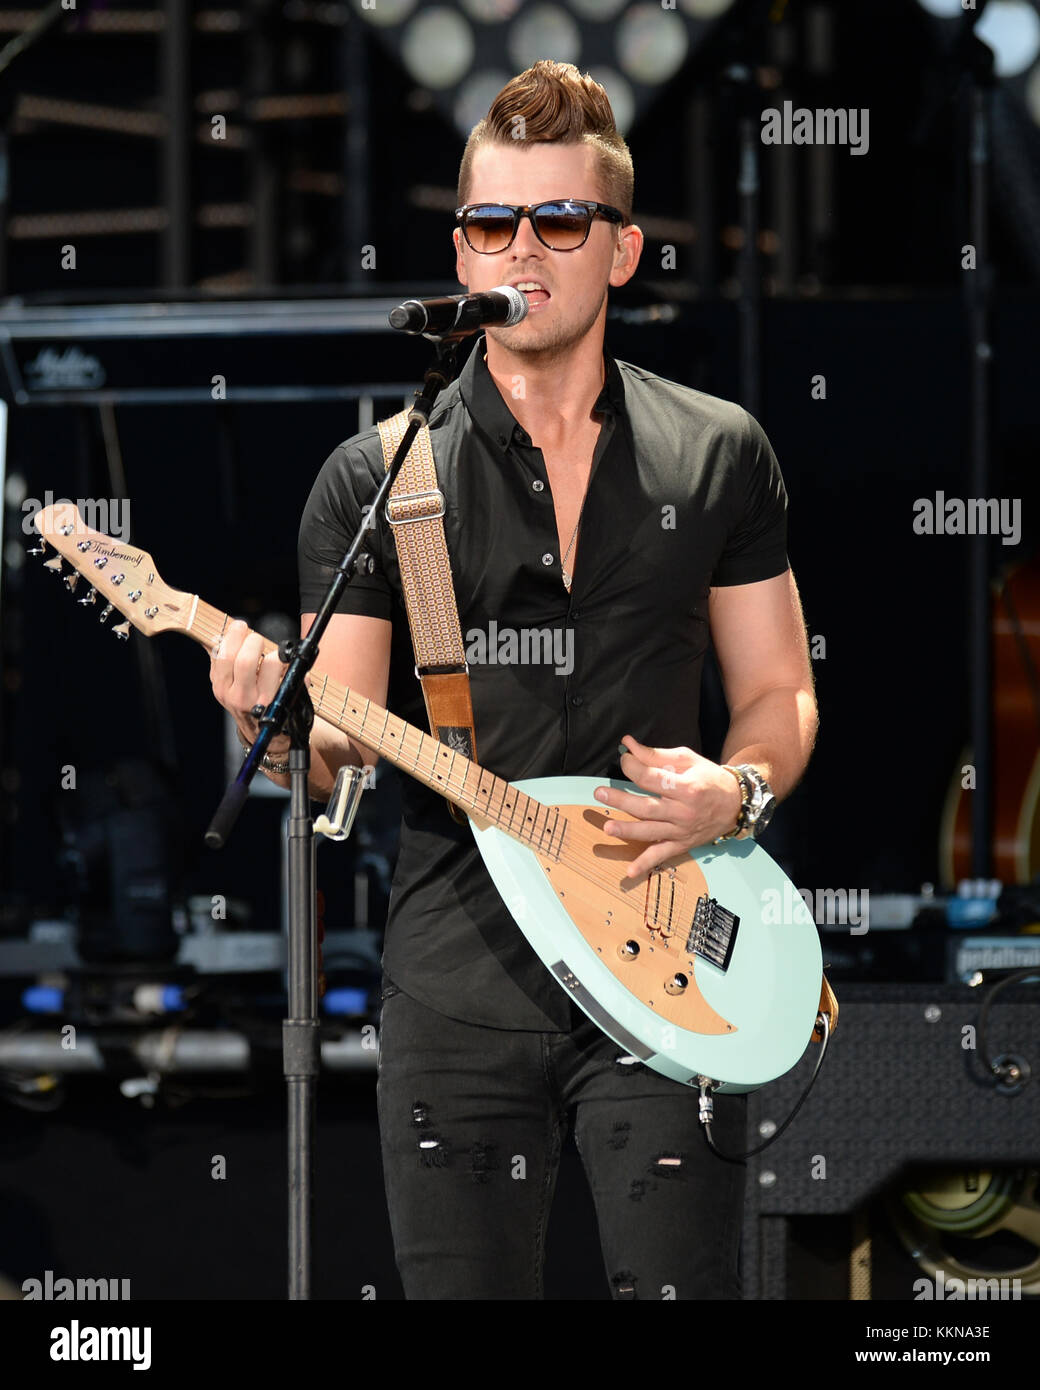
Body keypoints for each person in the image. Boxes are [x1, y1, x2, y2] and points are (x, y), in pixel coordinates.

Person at [209, 60, 818, 1300]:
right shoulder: (384, 474)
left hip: (665, 958)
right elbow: (340, 748)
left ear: (623, 252)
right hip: (456, 991)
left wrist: (736, 791)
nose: (522, 248)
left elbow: (777, 694)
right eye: (493, 222)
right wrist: (265, 724)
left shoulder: (718, 450)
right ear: (461, 248)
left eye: (557, 220)